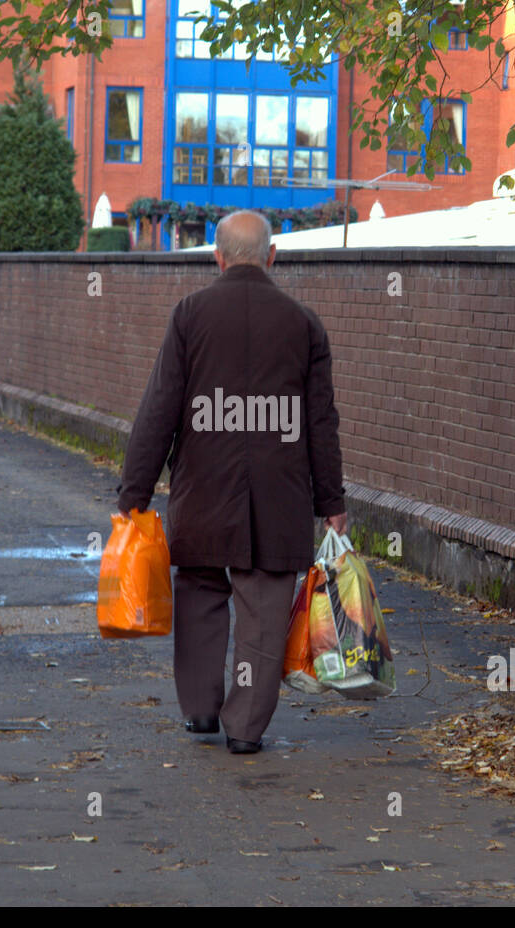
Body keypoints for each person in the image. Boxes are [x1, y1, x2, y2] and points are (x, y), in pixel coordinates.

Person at [116, 210, 346, 754]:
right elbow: (320, 422)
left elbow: (159, 411)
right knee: (264, 610)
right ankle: (244, 728)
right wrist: (331, 501)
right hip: (279, 494)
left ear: (216, 257)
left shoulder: (190, 315)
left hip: (203, 489)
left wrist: (135, 493)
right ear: (272, 256)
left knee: (199, 594)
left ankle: (200, 710)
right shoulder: (304, 324)